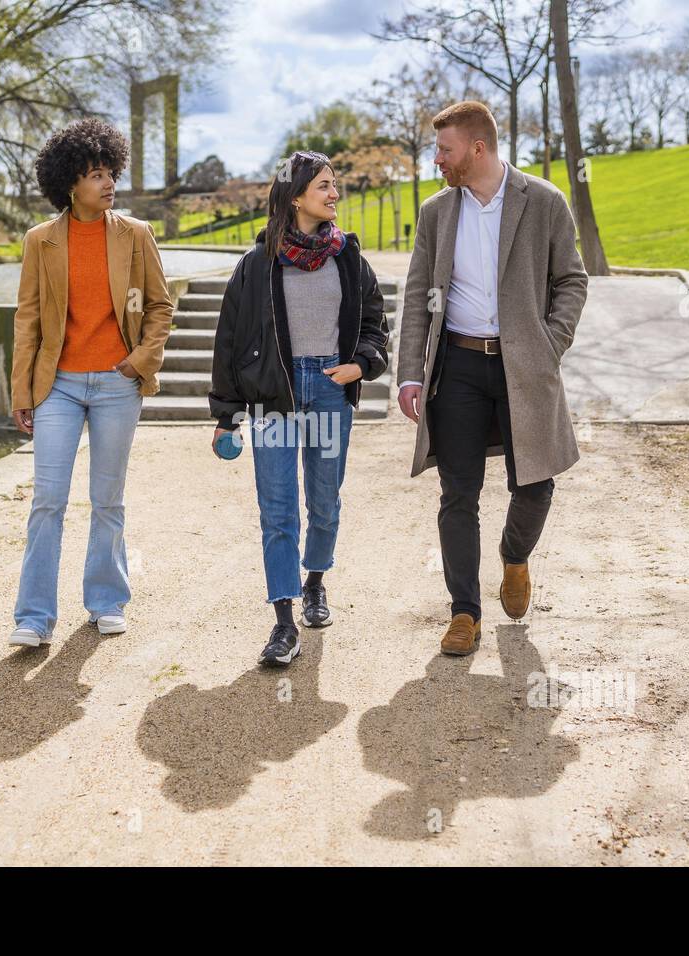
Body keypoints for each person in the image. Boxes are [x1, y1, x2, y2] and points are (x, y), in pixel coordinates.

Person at [397, 101, 588, 656]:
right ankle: (464, 612)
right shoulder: (437, 213)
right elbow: (416, 296)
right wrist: (412, 372)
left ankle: (514, 556)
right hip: (455, 366)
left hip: (523, 364)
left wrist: (549, 345)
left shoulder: (544, 201)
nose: (437, 160)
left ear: (477, 149)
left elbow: (571, 282)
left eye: (445, 150)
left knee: (536, 481)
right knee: (458, 492)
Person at [210, 150, 389, 667]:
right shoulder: (256, 264)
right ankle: (284, 620)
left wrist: (361, 365)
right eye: (324, 186)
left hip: (331, 391)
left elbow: (376, 322)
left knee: (325, 500)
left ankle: (315, 582)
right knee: (278, 508)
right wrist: (227, 414)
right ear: (295, 197)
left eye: (335, 186)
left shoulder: (348, 257)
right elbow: (230, 339)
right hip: (275, 402)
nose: (335, 194)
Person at [8, 118, 172, 647]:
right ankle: (33, 618)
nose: (108, 183)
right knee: (48, 500)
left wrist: (139, 361)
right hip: (57, 386)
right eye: (96, 174)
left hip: (116, 386)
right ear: (70, 182)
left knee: (107, 500)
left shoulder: (136, 235)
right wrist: (21, 393)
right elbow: (28, 319)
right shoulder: (40, 242)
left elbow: (159, 306)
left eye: (111, 172)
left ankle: (106, 602)